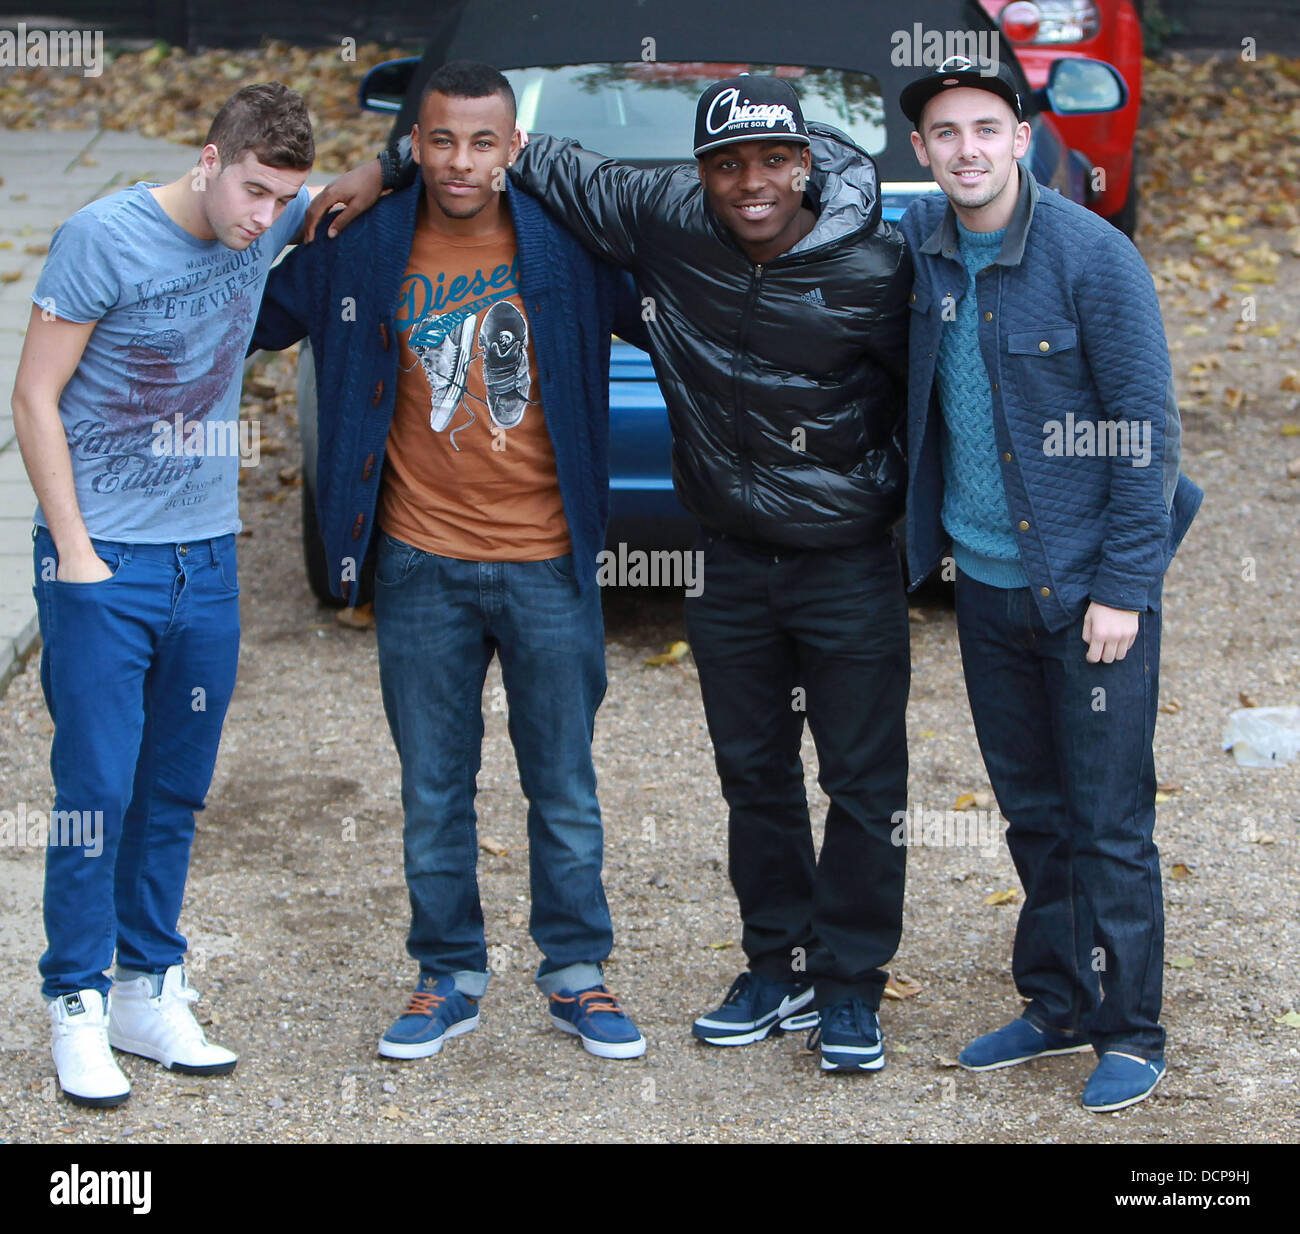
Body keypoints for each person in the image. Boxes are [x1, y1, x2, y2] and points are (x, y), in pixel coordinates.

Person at [306, 71, 912, 1072]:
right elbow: (520, 149)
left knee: (857, 781)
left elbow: (924, 392)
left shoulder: (874, 260)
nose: (749, 182)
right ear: (700, 172)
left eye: (770, 160)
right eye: (726, 164)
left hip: (842, 560)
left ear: (804, 163)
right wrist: (382, 163)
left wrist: (876, 500)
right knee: (753, 778)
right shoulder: (661, 218)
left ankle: (846, 987)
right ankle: (776, 964)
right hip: (722, 559)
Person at [252, 61, 646, 1062]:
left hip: (548, 560)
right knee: (434, 784)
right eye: (438, 141)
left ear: (514, 147)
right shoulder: (363, 242)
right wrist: (296, 197)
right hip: (421, 559)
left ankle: (575, 972)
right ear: (410, 145)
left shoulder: (570, 242)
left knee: (561, 783)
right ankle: (447, 975)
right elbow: (246, 314)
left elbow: (698, 293)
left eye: (481, 142)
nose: (459, 161)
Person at [897, 57, 1202, 1111]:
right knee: (1031, 809)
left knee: (1107, 818)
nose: (967, 148)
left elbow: (1144, 433)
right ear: (922, 152)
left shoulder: (1092, 257)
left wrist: (1125, 586)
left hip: (1088, 595)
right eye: (946, 133)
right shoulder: (922, 256)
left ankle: (1129, 1028)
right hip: (983, 587)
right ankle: (1057, 999)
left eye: (987, 127)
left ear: (1023, 138)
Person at [11, 83, 315, 1106]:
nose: (263, 220)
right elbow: (34, 396)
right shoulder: (104, 237)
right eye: (253, 191)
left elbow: (365, 182)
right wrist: (74, 549)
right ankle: (76, 1003)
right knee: (94, 792)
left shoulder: (264, 225)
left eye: (283, 200)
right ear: (207, 159)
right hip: (106, 562)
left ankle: (149, 984)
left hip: (206, 561)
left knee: (175, 789)